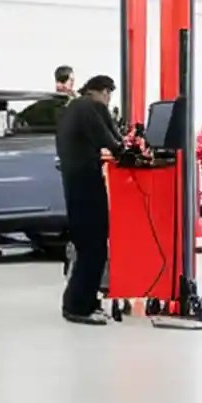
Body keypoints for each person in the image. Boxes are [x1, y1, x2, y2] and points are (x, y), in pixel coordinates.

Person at [55, 75, 125, 325]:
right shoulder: (89, 107)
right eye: (108, 95)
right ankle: (77, 307)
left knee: (87, 246)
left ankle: (84, 302)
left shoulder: (75, 106)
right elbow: (110, 140)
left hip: (76, 183)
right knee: (93, 247)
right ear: (104, 92)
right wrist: (125, 151)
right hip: (85, 183)